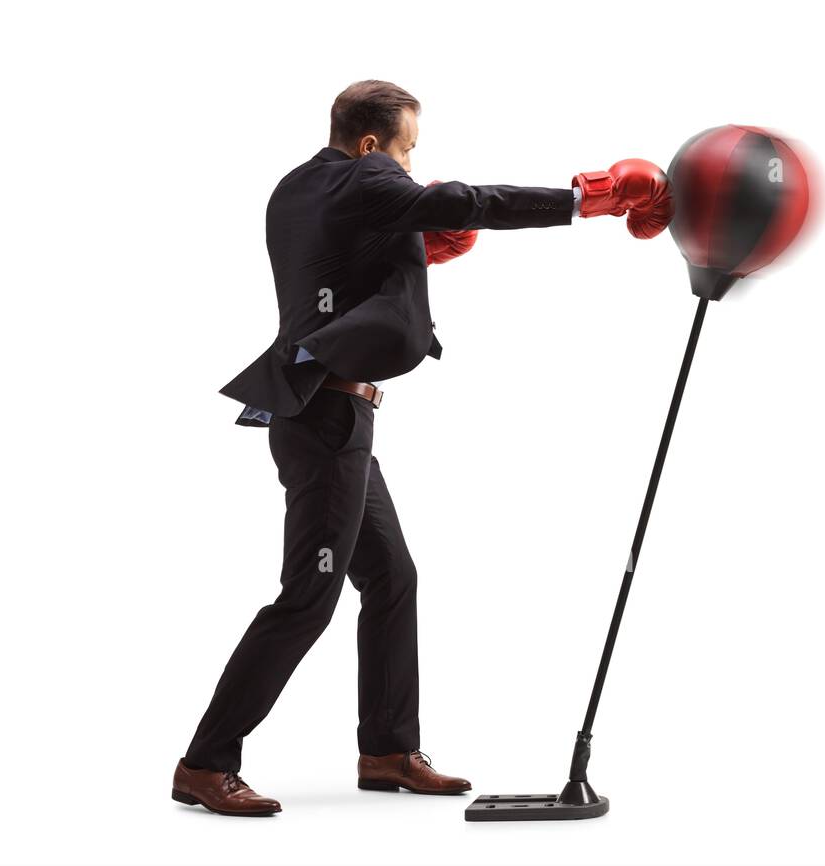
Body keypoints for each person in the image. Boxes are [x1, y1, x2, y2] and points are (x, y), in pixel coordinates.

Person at [172, 79, 671, 816]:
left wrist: (405, 252)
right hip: (329, 422)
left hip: (322, 416)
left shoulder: (295, 189)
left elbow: (333, 271)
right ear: (373, 143)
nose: (409, 167)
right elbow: (472, 202)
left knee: (392, 576)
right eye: (407, 150)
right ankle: (205, 763)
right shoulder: (370, 175)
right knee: (306, 599)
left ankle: (388, 750)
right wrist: (586, 199)